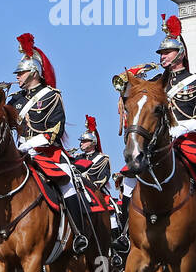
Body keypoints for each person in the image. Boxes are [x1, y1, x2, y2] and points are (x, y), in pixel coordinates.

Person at [122, 14, 196, 252]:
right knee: (130, 177)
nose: (162, 57)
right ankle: (124, 233)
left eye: (167, 52)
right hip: (159, 143)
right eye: (161, 54)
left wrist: (182, 127)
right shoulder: (153, 83)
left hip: (190, 139)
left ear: (180, 53)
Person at [6, 32, 92, 254]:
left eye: (21, 72)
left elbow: (55, 130)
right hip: (21, 154)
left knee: (68, 184)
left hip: (47, 153)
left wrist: (29, 144)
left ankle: (79, 234)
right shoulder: (15, 100)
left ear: (34, 72)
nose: (17, 76)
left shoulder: (51, 96)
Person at [72, 115, 123, 245]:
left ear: (93, 143)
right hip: (78, 189)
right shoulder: (76, 158)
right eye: (81, 141)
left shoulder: (103, 159)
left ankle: (115, 241)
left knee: (111, 210)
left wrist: (90, 188)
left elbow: (103, 178)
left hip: (96, 190)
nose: (81, 143)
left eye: (84, 141)